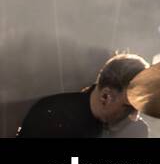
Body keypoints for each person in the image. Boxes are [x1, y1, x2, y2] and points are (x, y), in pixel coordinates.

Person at [16, 52, 150, 138]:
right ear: (105, 97)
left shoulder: (136, 130)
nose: (134, 117)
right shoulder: (49, 115)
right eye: (129, 107)